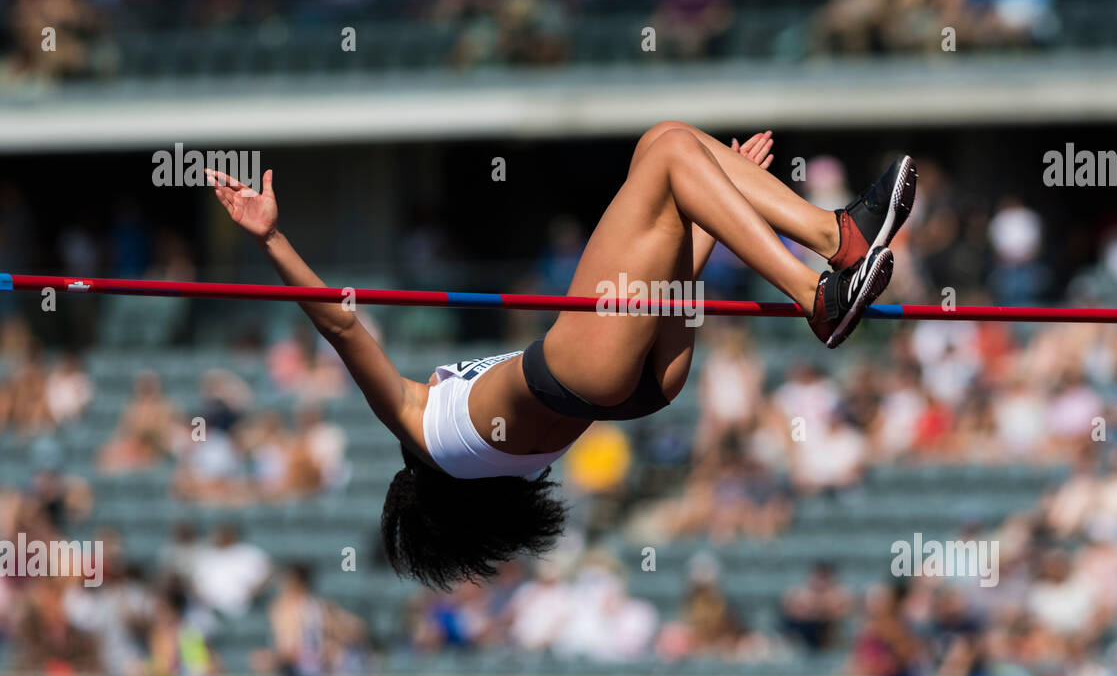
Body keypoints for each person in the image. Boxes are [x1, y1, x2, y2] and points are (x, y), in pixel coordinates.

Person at [208, 122, 916, 589]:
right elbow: (341, 327)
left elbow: (652, 294)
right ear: (417, 474)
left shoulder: (512, 463)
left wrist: (720, 195)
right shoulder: (421, 425)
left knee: (678, 162)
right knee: (668, 148)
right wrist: (269, 239)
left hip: (639, 386)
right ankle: (821, 269)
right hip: (586, 369)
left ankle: (834, 245)